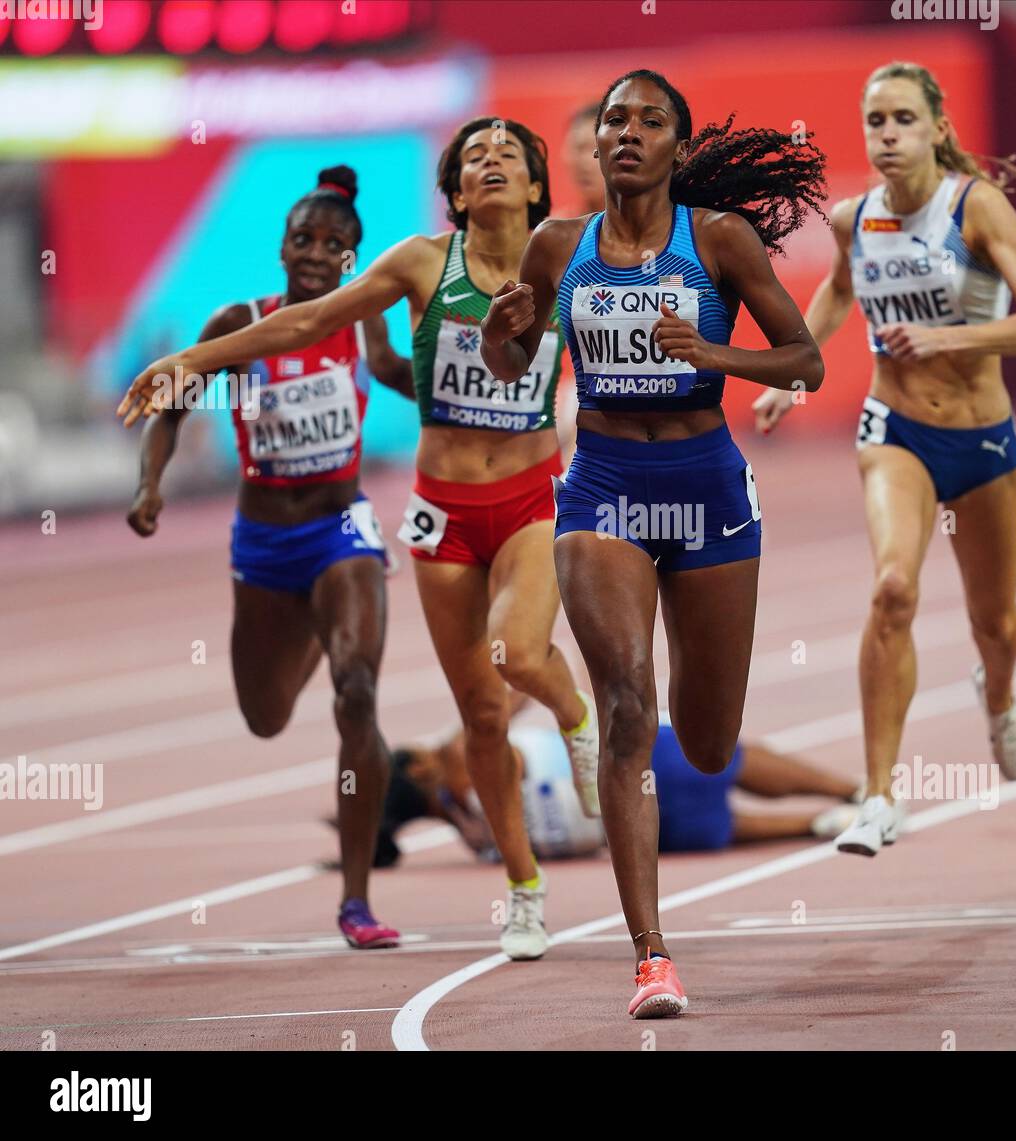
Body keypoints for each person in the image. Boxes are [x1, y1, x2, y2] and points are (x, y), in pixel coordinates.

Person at [118, 122, 600, 963]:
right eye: (472, 157)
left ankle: (575, 718)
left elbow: (647, 260)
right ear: (453, 192)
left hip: (506, 500)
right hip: (426, 513)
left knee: (510, 658)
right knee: (475, 717)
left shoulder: (562, 251)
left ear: (534, 186)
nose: (488, 162)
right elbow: (301, 327)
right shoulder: (418, 263)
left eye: (508, 157)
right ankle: (525, 888)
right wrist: (192, 364)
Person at [481, 69, 827, 1018]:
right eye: (611, 123)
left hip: (706, 486)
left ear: (678, 143)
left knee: (708, 742)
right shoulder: (560, 246)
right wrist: (504, 337)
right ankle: (652, 957)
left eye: (647, 121)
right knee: (627, 701)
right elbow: (512, 363)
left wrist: (713, 355)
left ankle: (691, 748)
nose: (624, 134)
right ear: (595, 148)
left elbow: (807, 358)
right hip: (605, 489)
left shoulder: (718, 240)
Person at [754, 61, 1016, 857]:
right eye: (875, 122)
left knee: (994, 621)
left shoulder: (977, 208)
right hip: (897, 429)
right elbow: (834, 293)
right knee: (893, 588)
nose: (887, 135)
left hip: (984, 437)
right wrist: (794, 371)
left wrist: (949, 336)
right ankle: (880, 795)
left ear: (936, 127)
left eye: (902, 120)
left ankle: (998, 696)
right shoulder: (856, 217)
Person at [121, 167, 413, 948]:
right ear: (282, 247)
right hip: (264, 543)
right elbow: (172, 406)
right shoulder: (237, 322)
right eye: (302, 239)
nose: (315, 254)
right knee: (265, 716)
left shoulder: (362, 320)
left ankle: (357, 899)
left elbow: (396, 375)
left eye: (333, 245)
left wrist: (481, 387)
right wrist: (150, 484)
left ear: (353, 262)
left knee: (356, 693)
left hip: (341, 528)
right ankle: (318, 623)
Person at [373, 708, 862, 867]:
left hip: (625, 797)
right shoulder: (467, 800)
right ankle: (833, 807)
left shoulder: (466, 790)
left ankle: (839, 804)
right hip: (624, 801)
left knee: (727, 786)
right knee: (725, 795)